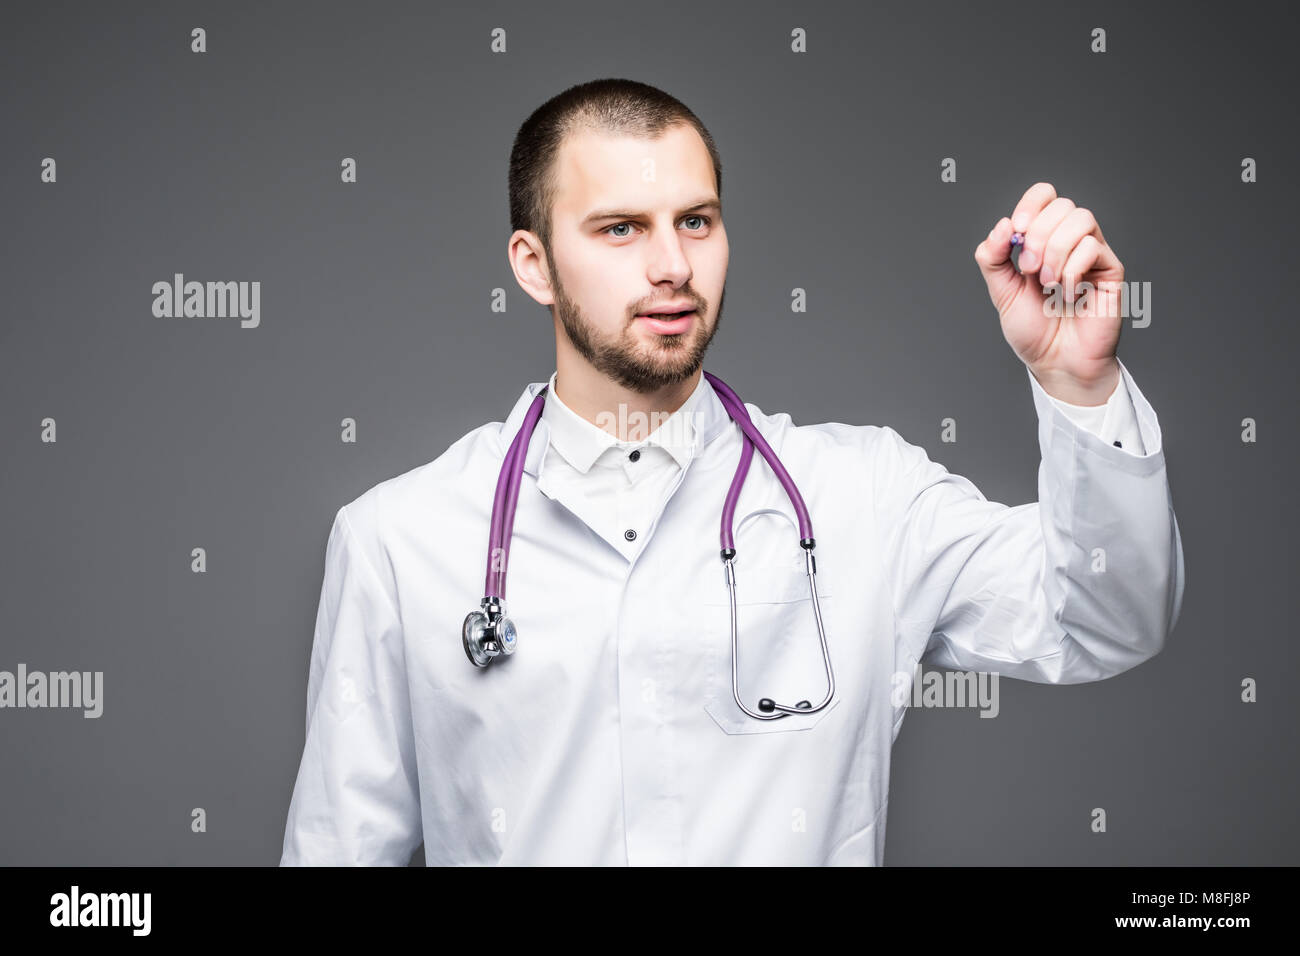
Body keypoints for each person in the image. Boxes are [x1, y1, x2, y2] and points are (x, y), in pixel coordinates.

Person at [279, 78, 1184, 866]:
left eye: (696, 222)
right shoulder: (401, 541)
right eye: (621, 228)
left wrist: (1078, 382)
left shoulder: (865, 497)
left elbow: (1106, 618)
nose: (672, 266)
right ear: (534, 264)